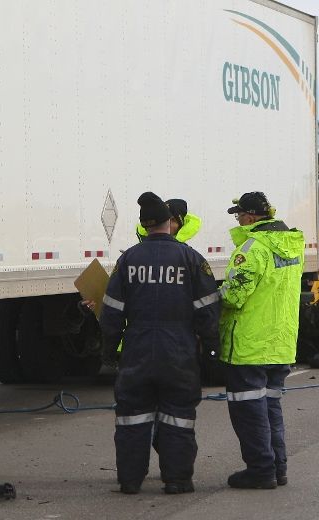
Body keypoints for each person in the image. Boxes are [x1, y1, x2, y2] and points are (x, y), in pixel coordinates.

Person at [99, 191, 220, 495]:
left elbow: (112, 311)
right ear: (170, 222)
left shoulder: (128, 260)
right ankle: (177, 480)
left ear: (144, 225)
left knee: (131, 417)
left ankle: (130, 480)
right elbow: (207, 309)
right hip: (178, 350)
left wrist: (109, 351)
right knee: (178, 416)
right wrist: (212, 348)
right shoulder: (190, 258)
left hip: (137, 348)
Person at [219, 191, 304, 489]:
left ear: (252, 216)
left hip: (250, 346)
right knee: (270, 409)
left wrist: (209, 296)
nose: (238, 219)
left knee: (249, 411)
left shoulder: (252, 248)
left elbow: (233, 295)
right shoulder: (292, 246)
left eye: (239, 214)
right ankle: (277, 468)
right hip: (280, 344)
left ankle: (260, 470)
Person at [135, 198, 201, 243]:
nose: (166, 223)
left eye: (173, 220)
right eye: (163, 218)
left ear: (180, 225)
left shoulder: (188, 255)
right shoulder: (143, 230)